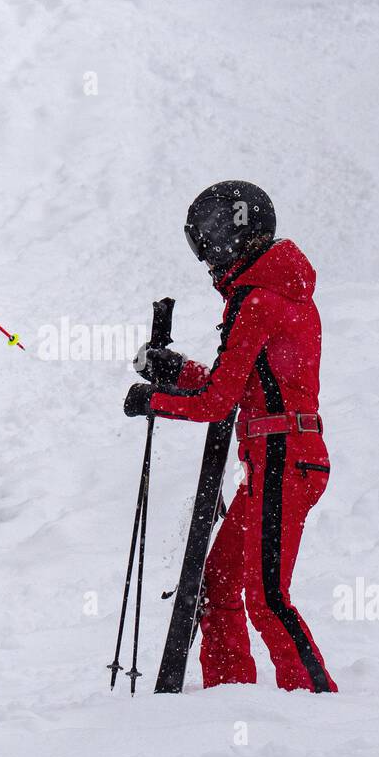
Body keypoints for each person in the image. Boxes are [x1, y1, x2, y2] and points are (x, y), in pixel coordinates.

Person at [124, 181, 338, 692]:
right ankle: (229, 693)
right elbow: (236, 386)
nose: (207, 261)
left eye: (209, 243)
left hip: (281, 457)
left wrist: (151, 400)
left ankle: (318, 701)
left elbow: (218, 403)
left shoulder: (258, 299)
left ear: (232, 234)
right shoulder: (275, 292)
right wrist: (177, 372)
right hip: (279, 455)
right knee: (218, 581)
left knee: (267, 596)